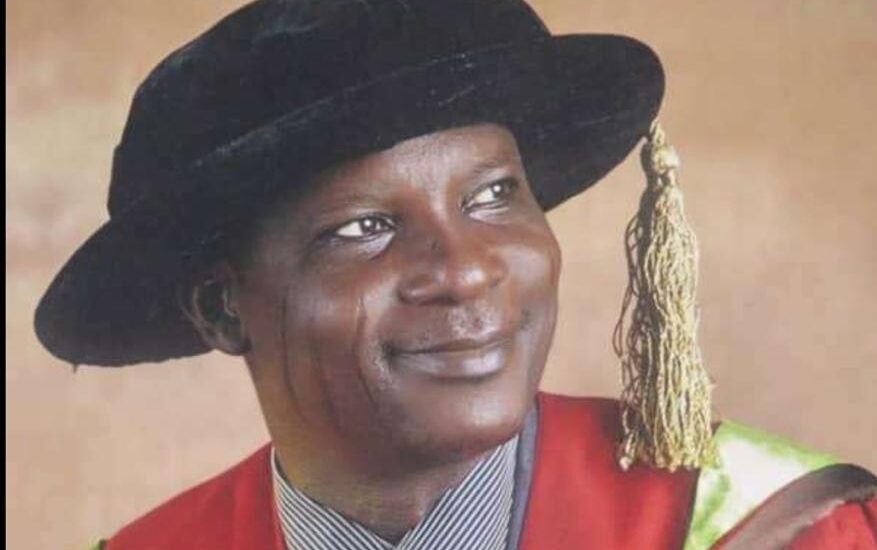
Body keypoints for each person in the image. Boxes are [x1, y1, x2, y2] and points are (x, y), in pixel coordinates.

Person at [34, 0, 876, 548]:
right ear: (222, 308)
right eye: (364, 228)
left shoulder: (767, 527)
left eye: (493, 196)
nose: (466, 272)